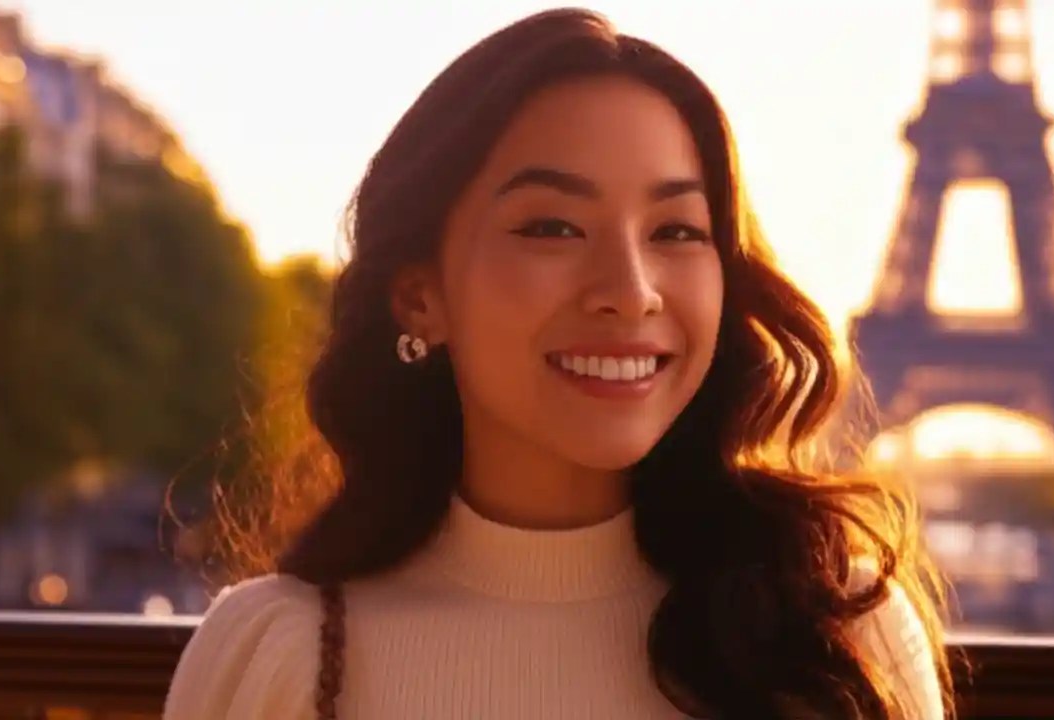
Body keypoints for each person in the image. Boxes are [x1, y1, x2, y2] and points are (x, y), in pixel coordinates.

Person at [163, 7, 953, 719]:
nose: (631, 291)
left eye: (676, 231)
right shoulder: (277, 657)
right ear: (418, 296)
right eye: (552, 228)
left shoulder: (843, 636)